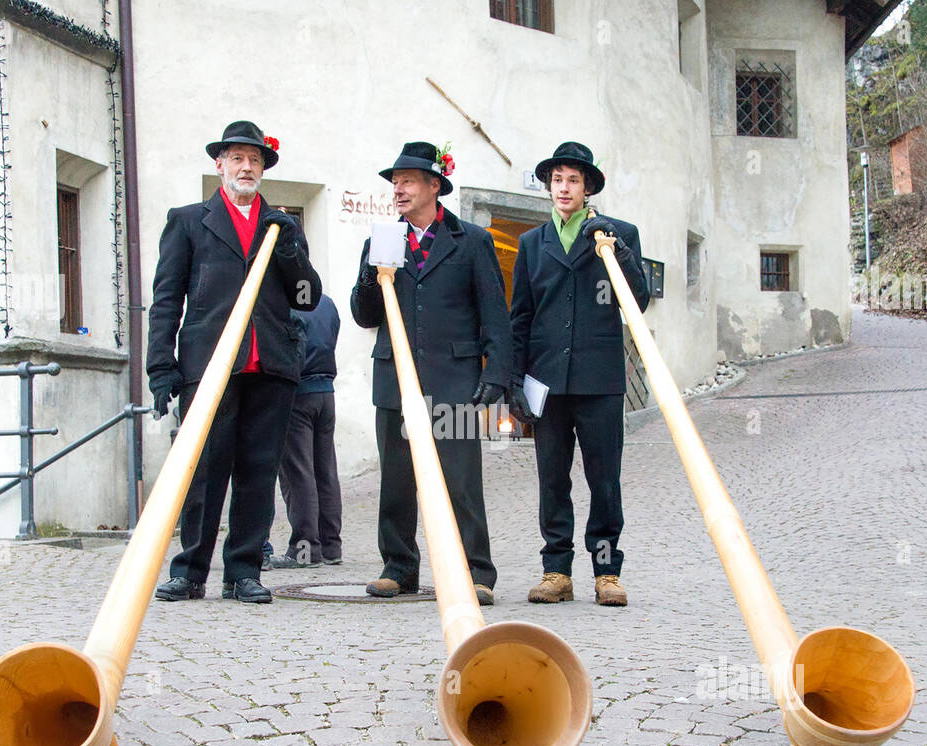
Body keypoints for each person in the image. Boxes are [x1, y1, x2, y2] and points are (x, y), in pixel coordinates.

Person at [147, 120, 321, 604]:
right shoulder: (187, 221)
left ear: (263, 168)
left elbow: (306, 297)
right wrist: (161, 366)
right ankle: (191, 570)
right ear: (219, 164)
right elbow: (166, 300)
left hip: (270, 368)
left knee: (259, 471)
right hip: (209, 366)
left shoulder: (281, 224)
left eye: (255, 160)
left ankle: (243, 570)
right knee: (203, 470)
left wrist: (289, 250)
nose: (247, 167)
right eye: (237, 158)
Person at [350, 141, 510, 606]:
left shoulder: (472, 241)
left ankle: (475, 571)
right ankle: (398, 567)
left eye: (407, 181)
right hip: (394, 379)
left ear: (434, 186)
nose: (397, 189)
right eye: (394, 182)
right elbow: (364, 315)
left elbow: (494, 314)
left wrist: (496, 373)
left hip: (454, 378)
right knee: (397, 478)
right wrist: (369, 275)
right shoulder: (379, 240)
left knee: (460, 479)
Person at [508, 141, 650, 606]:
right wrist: (515, 380)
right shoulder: (532, 244)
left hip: (599, 378)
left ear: (587, 187)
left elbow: (639, 298)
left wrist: (617, 247)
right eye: (557, 179)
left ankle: (607, 572)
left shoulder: (616, 234)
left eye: (573, 180)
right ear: (549, 186)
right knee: (552, 478)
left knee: (603, 477)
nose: (563, 188)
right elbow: (521, 317)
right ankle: (556, 571)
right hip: (547, 380)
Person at [269, 293, 343, 568]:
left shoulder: (283, 302)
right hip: (326, 392)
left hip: (297, 392)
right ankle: (331, 546)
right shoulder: (326, 302)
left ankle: (305, 549)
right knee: (325, 471)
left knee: (298, 473)